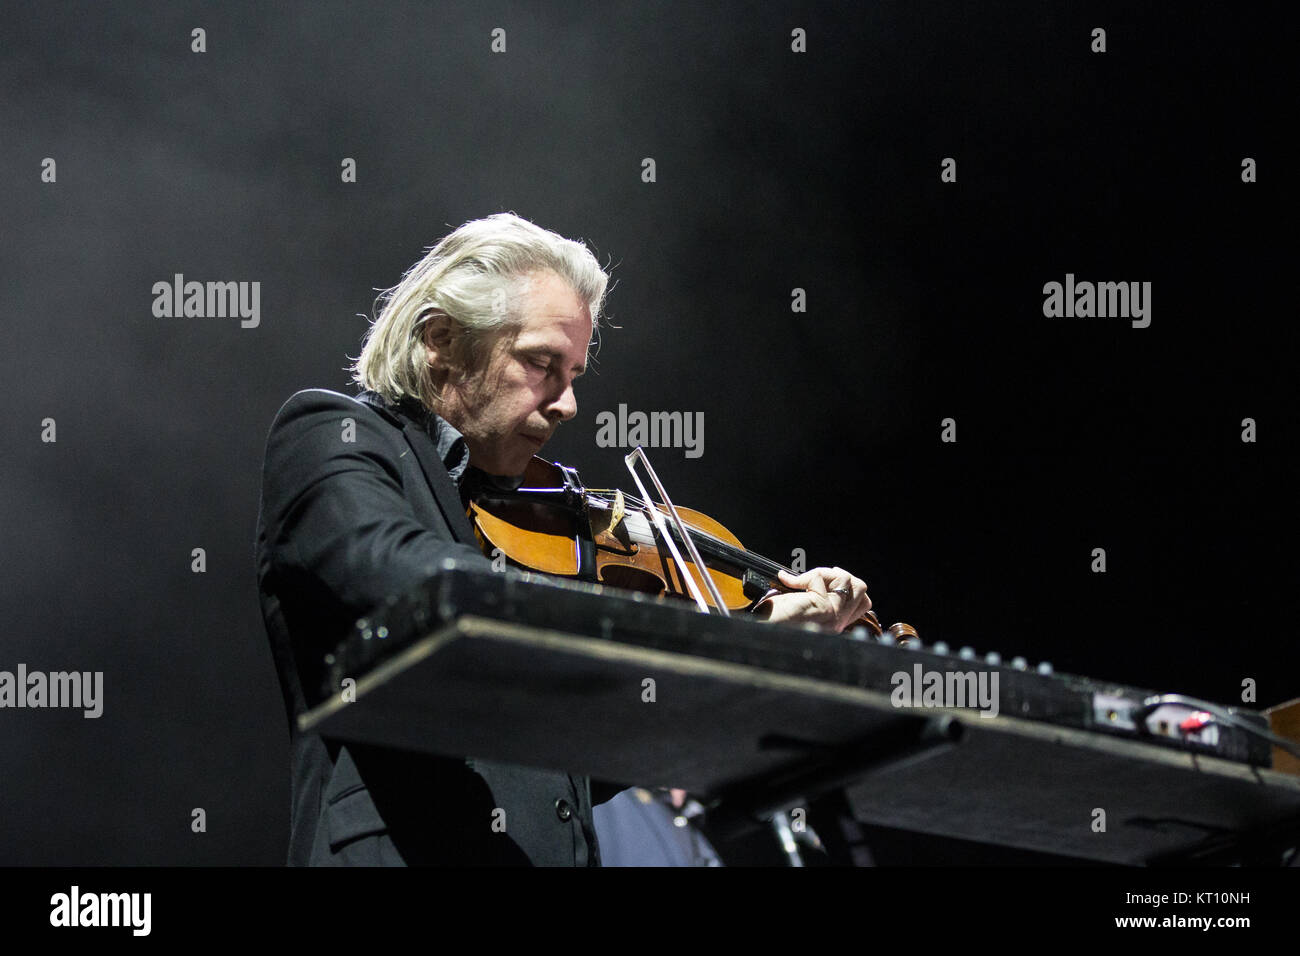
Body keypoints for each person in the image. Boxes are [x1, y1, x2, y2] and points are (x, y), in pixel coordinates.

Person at [254, 212, 873, 866]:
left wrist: (763, 629)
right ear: (441, 340)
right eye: (540, 363)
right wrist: (663, 630)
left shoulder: (529, 515)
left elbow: (594, 758)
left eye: (573, 372)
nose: (567, 404)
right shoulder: (332, 433)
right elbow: (425, 584)